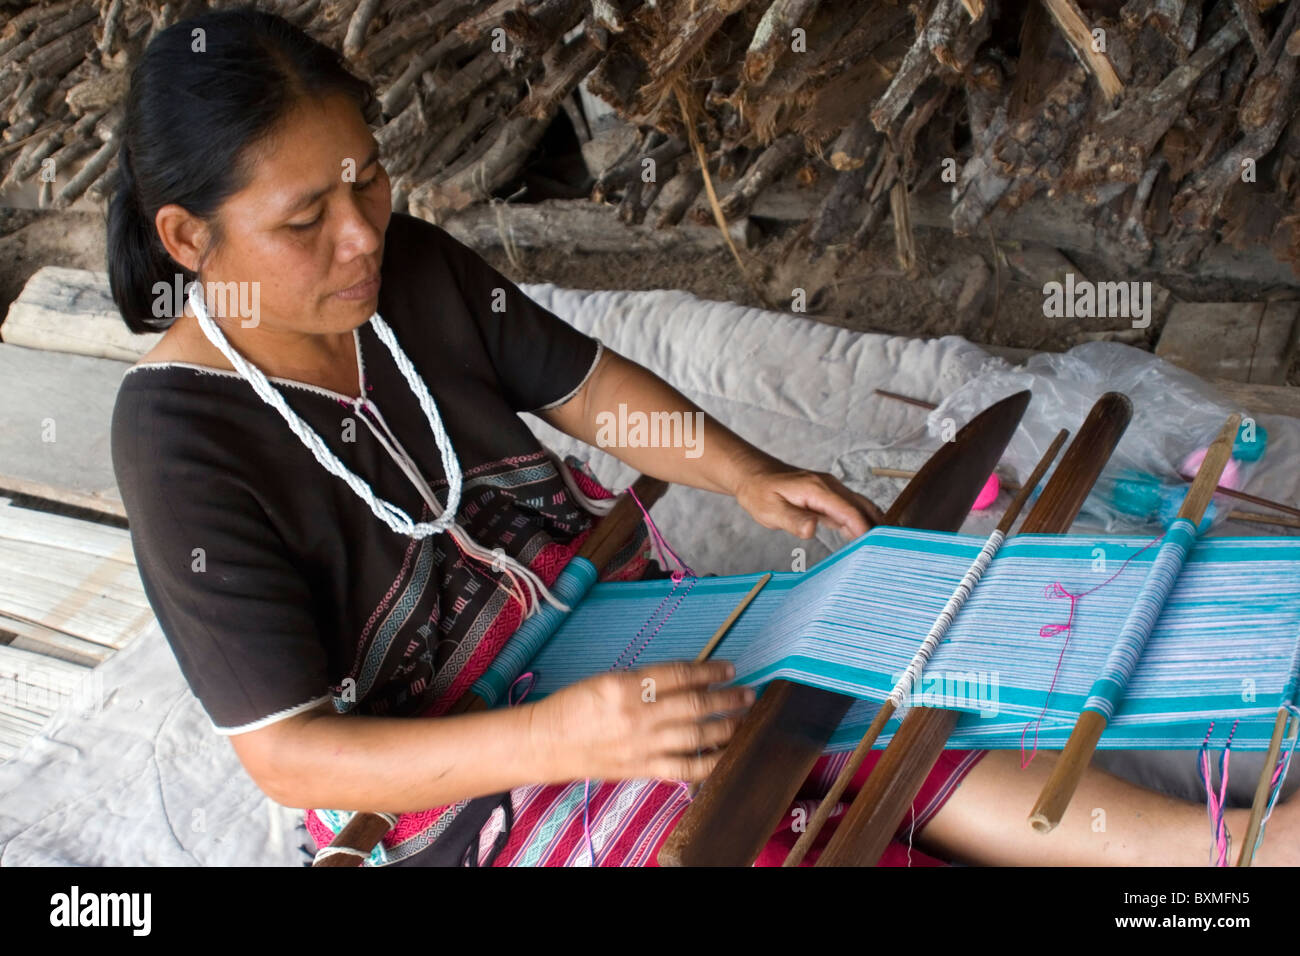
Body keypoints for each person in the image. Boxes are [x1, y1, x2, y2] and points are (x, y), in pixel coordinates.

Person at [107, 8, 1297, 867]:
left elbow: (585, 387)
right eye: (305, 219)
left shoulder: (406, 268)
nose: (361, 234)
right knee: (737, 820)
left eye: (366, 181)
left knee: (860, 695)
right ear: (187, 235)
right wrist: (569, 734)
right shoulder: (179, 446)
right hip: (458, 775)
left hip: (604, 626)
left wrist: (746, 470)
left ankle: (1224, 846)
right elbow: (294, 759)